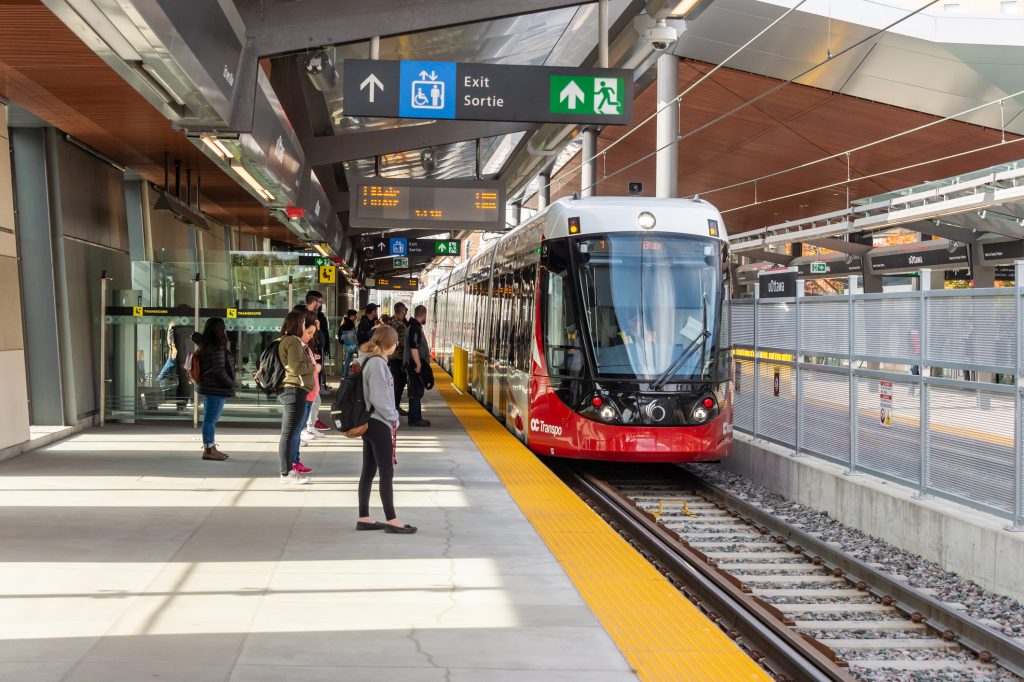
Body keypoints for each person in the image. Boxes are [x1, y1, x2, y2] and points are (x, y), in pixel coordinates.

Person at [356, 325, 416, 534]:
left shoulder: (366, 360)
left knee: (369, 471)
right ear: (390, 345)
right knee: (386, 472)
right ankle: (391, 519)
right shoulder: (378, 365)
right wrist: (394, 418)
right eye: (396, 342)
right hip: (378, 422)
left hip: (368, 421)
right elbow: (380, 398)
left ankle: (364, 516)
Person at [277, 310, 317, 484]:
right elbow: (296, 367)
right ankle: (286, 473)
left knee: (290, 432)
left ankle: (288, 471)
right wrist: (313, 367)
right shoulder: (293, 341)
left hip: (294, 390)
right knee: (289, 433)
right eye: (302, 324)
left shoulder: (289, 341)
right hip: (294, 390)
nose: (304, 327)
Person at [190, 318, 234, 461]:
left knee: (210, 418)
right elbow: (219, 370)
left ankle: (211, 447)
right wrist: (230, 384)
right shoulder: (215, 347)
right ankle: (209, 449)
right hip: (215, 387)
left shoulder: (205, 344)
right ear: (219, 330)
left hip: (210, 386)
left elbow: (195, 336)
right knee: (210, 419)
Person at [404, 304, 431, 428]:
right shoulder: (414, 327)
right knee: (416, 392)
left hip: (413, 363)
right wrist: (419, 365)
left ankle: (416, 417)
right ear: (424, 314)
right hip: (415, 365)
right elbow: (414, 347)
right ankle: (415, 419)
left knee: (416, 392)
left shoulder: (413, 326)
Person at [305, 291, 330, 391]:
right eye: (319, 301)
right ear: (314, 301)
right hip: (305, 351)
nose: (320, 304)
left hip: (315, 350)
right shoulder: (300, 315)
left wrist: (325, 347)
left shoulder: (321, 317)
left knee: (315, 378)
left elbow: (323, 336)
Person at [388, 302, 410, 417]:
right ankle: (395, 406)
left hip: (391, 357)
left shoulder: (391, 321)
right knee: (400, 382)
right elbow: (403, 343)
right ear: (402, 311)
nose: (406, 312)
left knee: (395, 382)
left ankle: (394, 405)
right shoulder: (400, 325)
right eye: (405, 310)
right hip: (398, 357)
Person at [338, 309, 359, 378]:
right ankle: (345, 374)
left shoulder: (345, 323)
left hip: (347, 344)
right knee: (348, 358)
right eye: (355, 316)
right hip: (351, 343)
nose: (356, 317)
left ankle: (345, 374)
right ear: (351, 316)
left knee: (347, 359)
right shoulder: (350, 324)